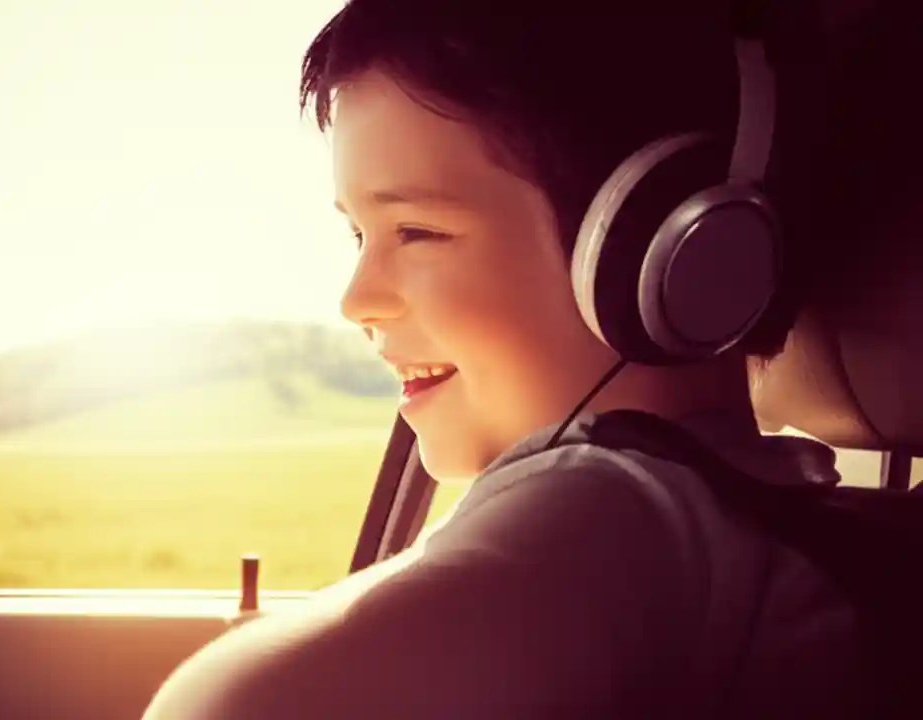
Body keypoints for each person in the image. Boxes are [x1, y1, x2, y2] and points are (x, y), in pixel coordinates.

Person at [144, 3, 863, 718]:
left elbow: (236, 706)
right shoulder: (735, 519)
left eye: (417, 231)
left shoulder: (614, 509)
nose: (357, 299)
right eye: (358, 235)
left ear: (668, 250)